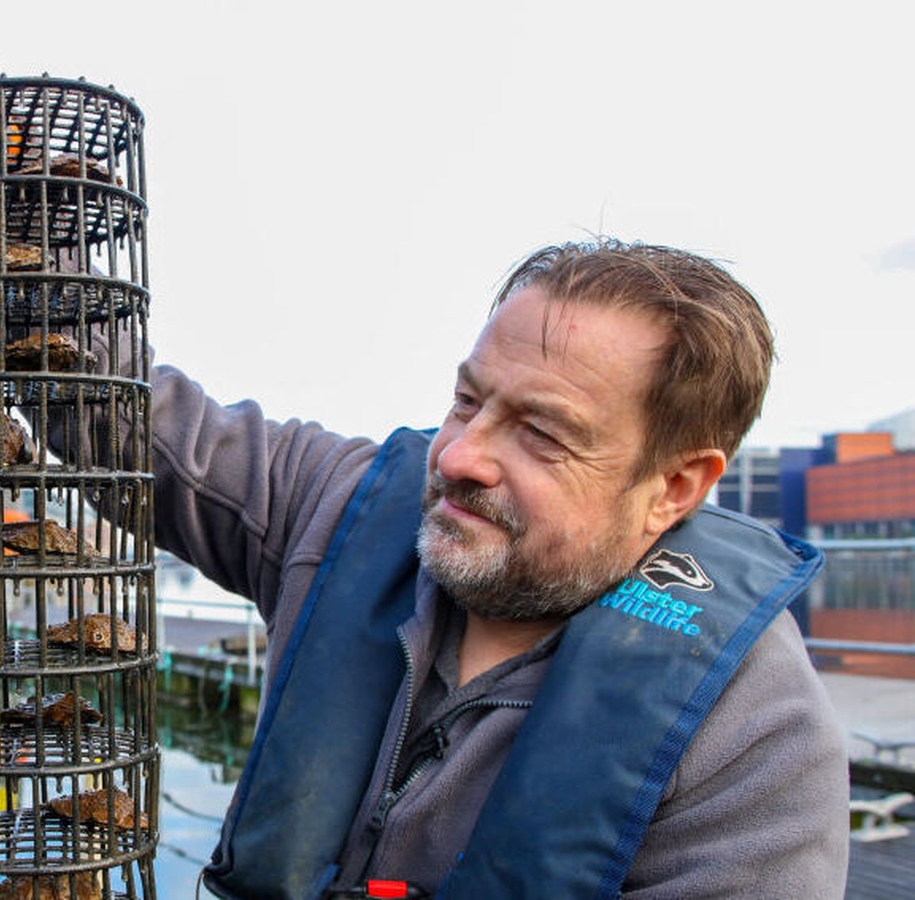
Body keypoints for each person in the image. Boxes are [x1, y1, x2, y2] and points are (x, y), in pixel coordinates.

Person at [128, 241, 849, 898]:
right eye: (467, 401)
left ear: (675, 487)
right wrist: (36, 231)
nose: (459, 457)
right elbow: (125, 408)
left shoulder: (756, 739)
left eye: (541, 434)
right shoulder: (343, 504)